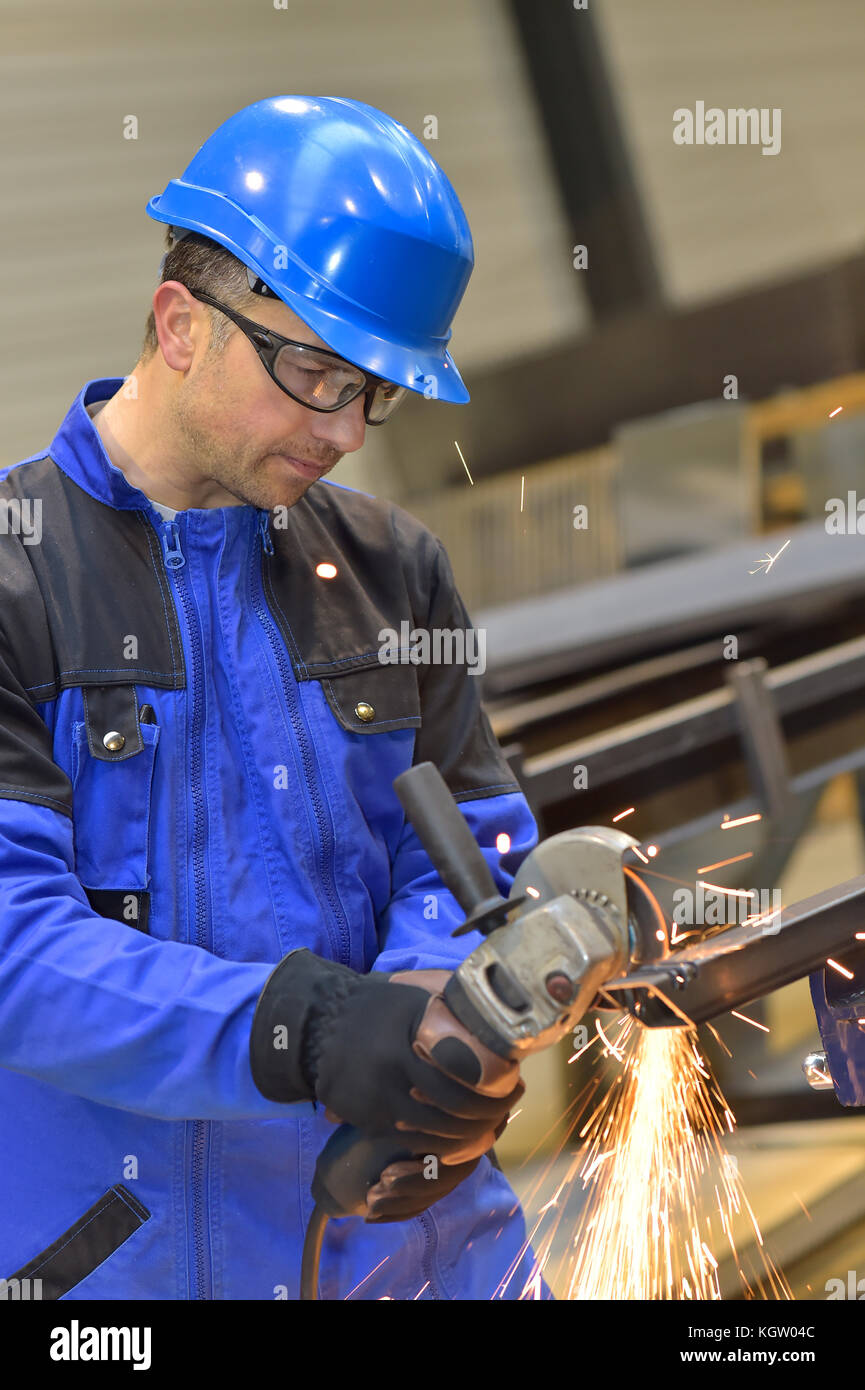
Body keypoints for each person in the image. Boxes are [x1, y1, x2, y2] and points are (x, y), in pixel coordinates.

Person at [0, 95, 547, 1301]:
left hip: (421, 1250)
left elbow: (468, 854)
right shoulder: (16, 575)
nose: (348, 429)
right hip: (128, 1272)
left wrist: (426, 1003)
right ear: (180, 322)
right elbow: (13, 947)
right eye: (316, 374)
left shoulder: (390, 566)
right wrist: (299, 1029)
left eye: (377, 393)